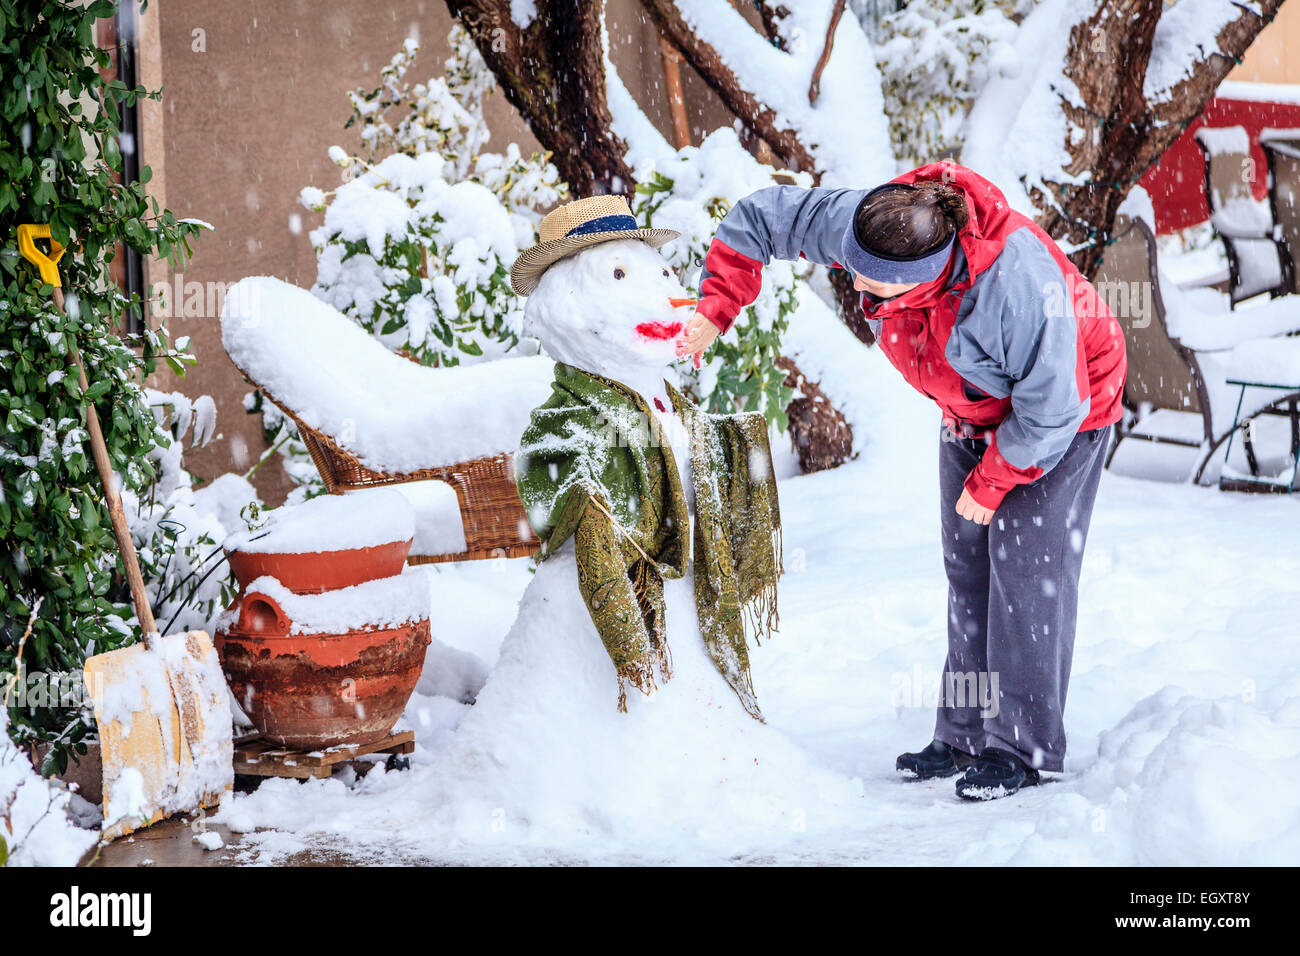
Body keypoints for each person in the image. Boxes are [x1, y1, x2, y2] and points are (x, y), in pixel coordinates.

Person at [678, 162, 1126, 800]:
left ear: (925, 283)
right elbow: (761, 217)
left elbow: (1055, 405)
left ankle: (1024, 749)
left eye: (873, 286)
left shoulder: (1014, 285)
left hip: (1067, 411)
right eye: (854, 269)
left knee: (1025, 570)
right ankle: (968, 730)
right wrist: (714, 311)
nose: (855, 284)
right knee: (967, 566)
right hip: (973, 408)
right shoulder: (875, 226)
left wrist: (994, 479)